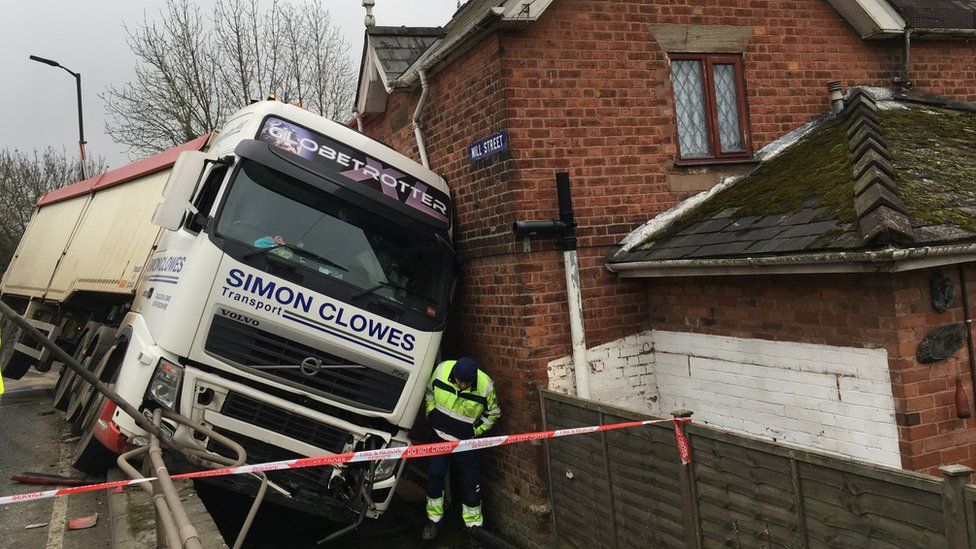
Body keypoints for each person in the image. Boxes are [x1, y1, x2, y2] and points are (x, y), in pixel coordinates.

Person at [421, 357, 501, 540]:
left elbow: (494, 414)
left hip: (466, 443)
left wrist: (474, 431)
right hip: (439, 437)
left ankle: (473, 527)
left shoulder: (485, 386)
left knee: (471, 483)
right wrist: (431, 413)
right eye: (460, 381)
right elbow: (429, 392)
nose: (463, 385)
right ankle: (434, 520)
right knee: (435, 476)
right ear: (454, 375)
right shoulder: (442, 370)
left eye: (467, 382)